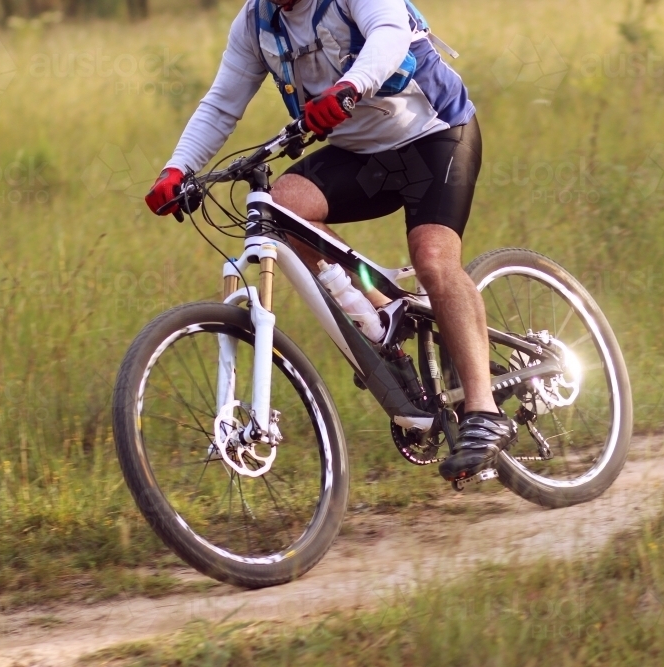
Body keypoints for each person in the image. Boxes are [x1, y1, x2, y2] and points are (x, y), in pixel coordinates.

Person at [143, 0, 515, 482]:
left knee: (433, 258)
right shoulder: (255, 23)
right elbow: (220, 105)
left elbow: (389, 34)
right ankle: (385, 316)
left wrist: (350, 86)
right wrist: (177, 169)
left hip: (434, 133)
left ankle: (484, 413)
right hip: (360, 156)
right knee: (282, 207)